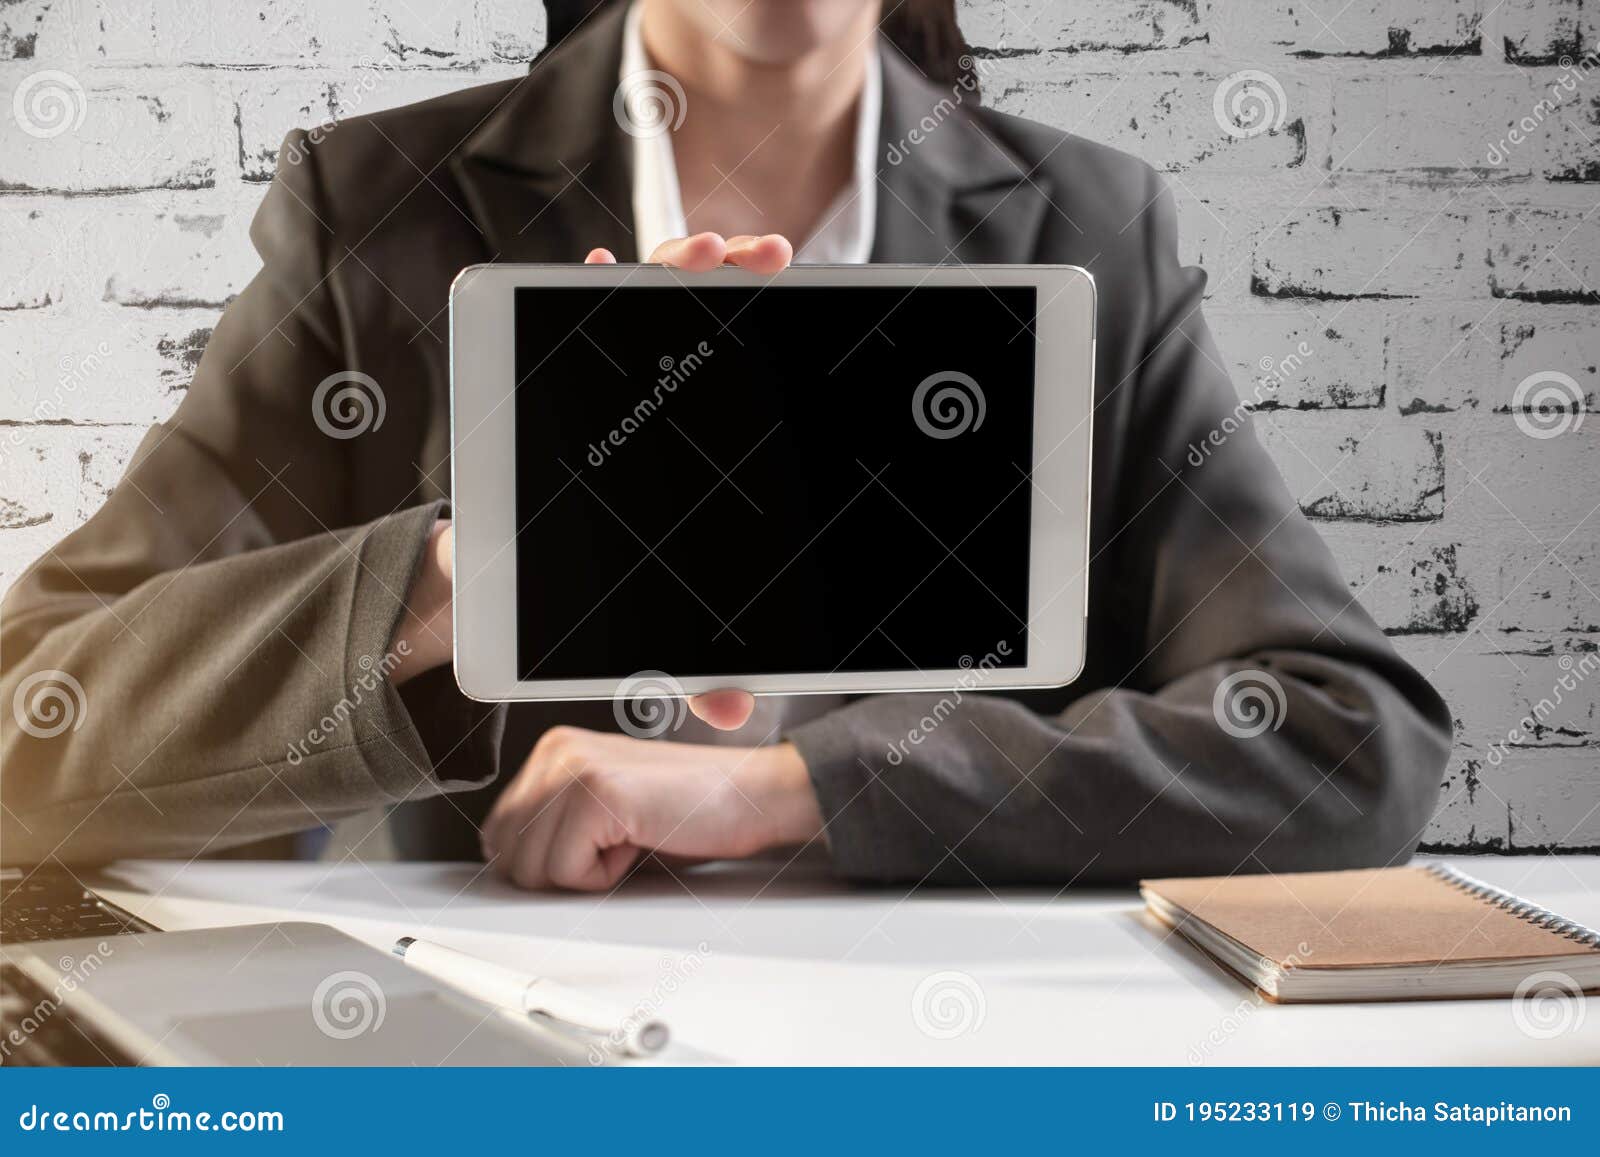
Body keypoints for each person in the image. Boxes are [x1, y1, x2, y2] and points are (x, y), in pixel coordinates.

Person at [0, 0, 1450, 890]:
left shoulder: (1090, 230)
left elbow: (1348, 737)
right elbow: (29, 726)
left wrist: (794, 791)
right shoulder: (380, 211)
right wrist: (475, 567)